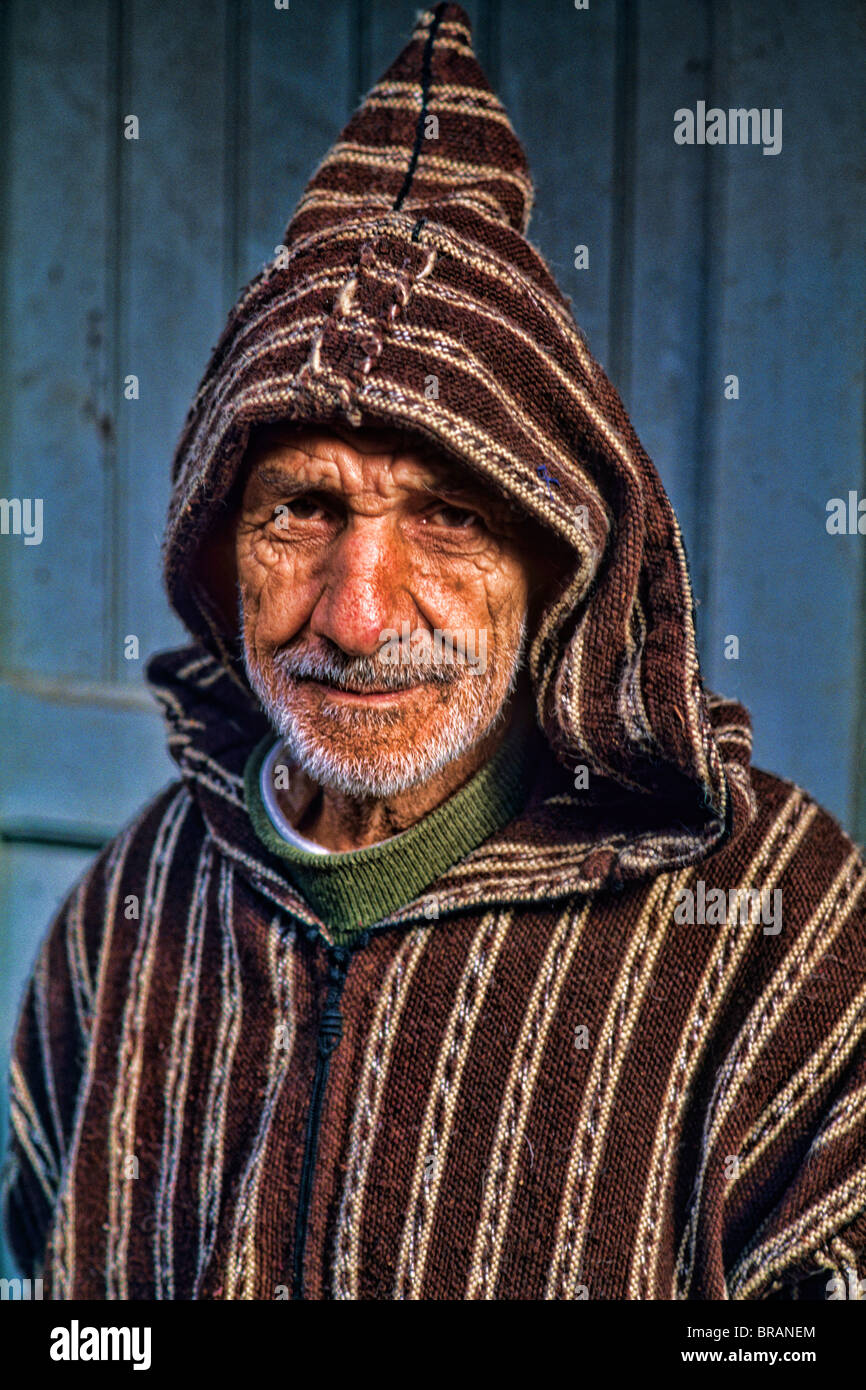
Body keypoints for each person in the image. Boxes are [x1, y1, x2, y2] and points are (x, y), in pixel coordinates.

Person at [4, 2, 866, 1301]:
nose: (355, 617)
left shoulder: (770, 920)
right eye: (302, 509)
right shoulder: (127, 912)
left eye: (451, 515)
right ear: (214, 544)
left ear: (559, 561)